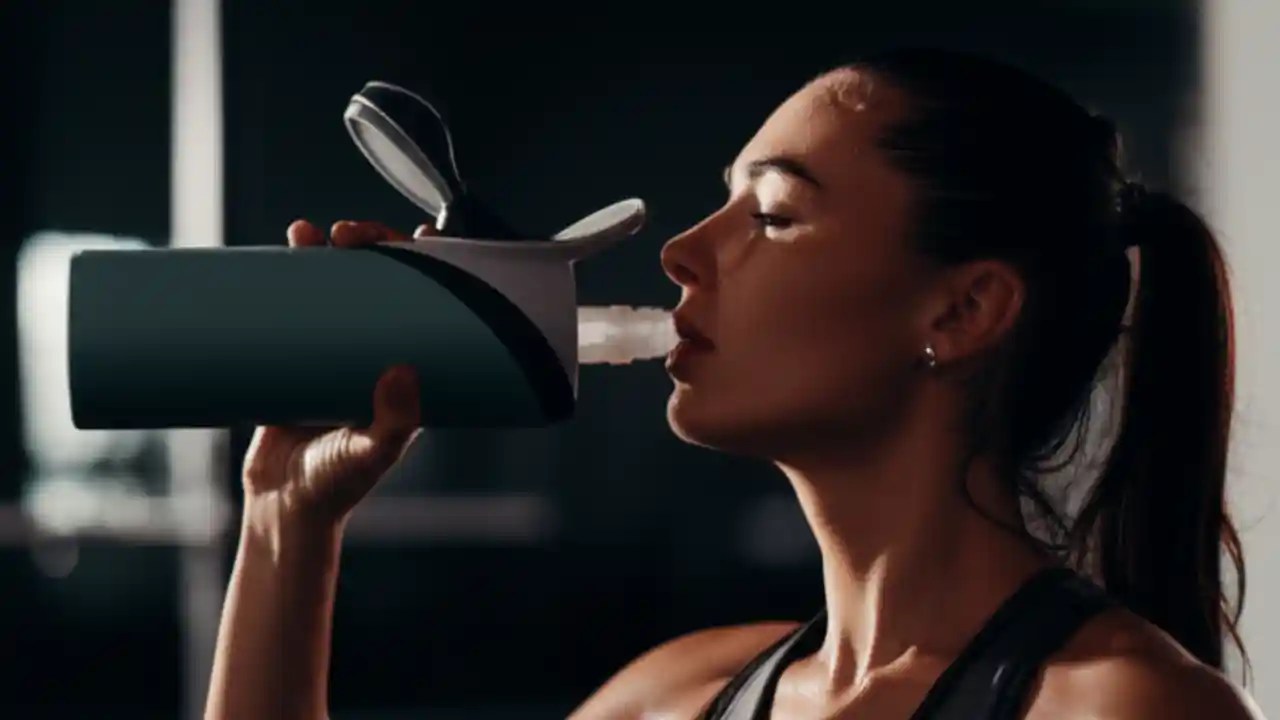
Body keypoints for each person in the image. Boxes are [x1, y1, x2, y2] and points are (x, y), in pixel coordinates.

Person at [204, 48, 1267, 719]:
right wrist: (286, 526)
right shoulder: (671, 695)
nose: (681, 250)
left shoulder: (1124, 710)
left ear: (959, 310)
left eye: (769, 214)